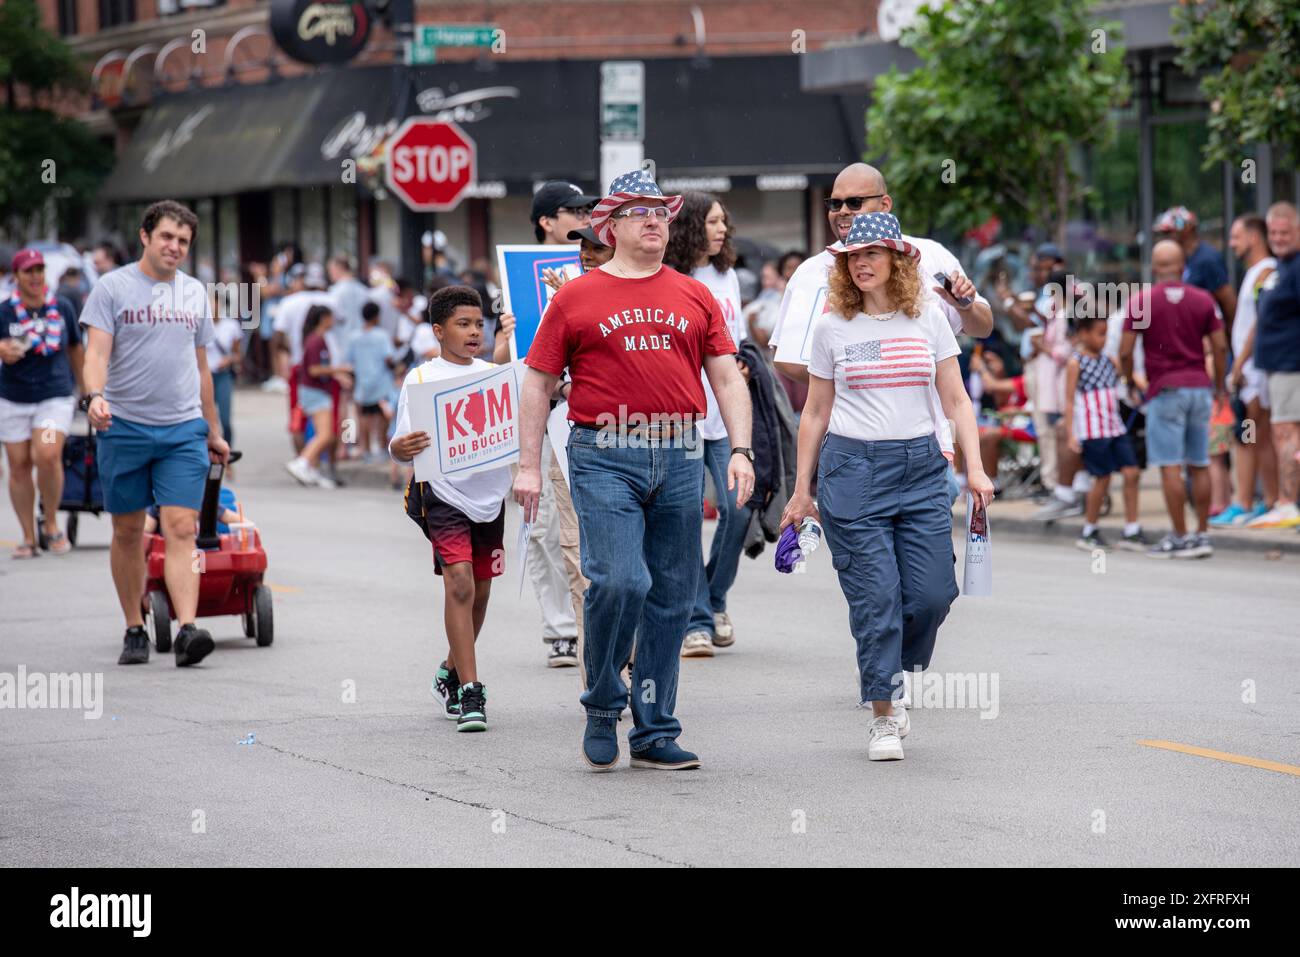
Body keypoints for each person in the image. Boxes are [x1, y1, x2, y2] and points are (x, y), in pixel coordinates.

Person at [515, 168, 754, 771]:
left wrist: (744, 449)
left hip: (678, 451)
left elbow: (726, 375)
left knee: (672, 596)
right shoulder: (575, 296)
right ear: (611, 226)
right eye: (639, 211)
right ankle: (602, 701)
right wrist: (528, 468)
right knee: (621, 581)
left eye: (661, 211)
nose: (654, 220)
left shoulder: (693, 293)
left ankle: (653, 730)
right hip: (603, 451)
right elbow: (539, 383)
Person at [779, 212, 993, 762]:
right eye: (853, 256)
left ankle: (898, 669)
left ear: (900, 261)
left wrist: (975, 468)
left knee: (931, 596)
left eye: (873, 253)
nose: (862, 263)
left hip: (921, 469)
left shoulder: (928, 322)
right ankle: (882, 712)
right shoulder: (831, 327)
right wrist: (802, 491)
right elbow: (815, 411)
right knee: (876, 600)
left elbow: (957, 400)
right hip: (851, 471)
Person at [79, 200, 230, 666]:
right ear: (145, 236)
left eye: (183, 241)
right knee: (127, 531)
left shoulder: (192, 294)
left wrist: (213, 429)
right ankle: (133, 627)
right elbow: (96, 355)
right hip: (122, 426)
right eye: (167, 236)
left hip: (183, 428)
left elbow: (203, 368)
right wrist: (94, 397)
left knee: (182, 526)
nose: (175, 247)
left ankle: (187, 628)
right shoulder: (112, 288)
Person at [389, 285, 512, 732]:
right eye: (463, 324)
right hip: (443, 495)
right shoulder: (421, 379)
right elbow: (403, 444)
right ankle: (471, 691)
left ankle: (450, 670)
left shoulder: (495, 373)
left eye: (478, 323)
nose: (473, 331)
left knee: (479, 592)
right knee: (458, 584)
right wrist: (399, 447)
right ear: (439, 331)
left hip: (490, 497)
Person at [663, 191, 750, 657]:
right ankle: (696, 617)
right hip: (684, 414)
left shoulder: (727, 274)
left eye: (724, 222)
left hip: (726, 412)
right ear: (692, 225)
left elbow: (734, 341)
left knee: (739, 508)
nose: (721, 230)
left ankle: (714, 596)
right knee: (686, 516)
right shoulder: (671, 278)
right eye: (713, 222)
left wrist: (746, 362)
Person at [521, 180, 600, 668]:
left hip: (590, 415)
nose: (580, 216)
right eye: (571, 211)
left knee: (585, 523)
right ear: (546, 221)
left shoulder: (603, 269)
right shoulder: (511, 278)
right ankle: (559, 626)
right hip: (541, 414)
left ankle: (594, 619)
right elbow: (506, 361)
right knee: (544, 525)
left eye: (585, 210)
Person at [1120, 239, 1227, 558]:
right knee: (1199, 463)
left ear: (1154, 268)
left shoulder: (1143, 301)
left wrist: (1129, 382)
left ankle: (1180, 537)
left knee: (1170, 466)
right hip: (1199, 389)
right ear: (1182, 267)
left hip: (1165, 391)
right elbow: (1220, 347)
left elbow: (1125, 350)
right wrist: (1219, 385)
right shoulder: (1203, 299)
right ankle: (1202, 534)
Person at [0, 248, 85, 558]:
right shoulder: (5, 311)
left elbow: (76, 349)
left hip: (54, 397)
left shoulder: (61, 307)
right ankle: (27, 536)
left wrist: (89, 392)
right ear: (17, 276)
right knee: (19, 466)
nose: (35, 276)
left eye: (39, 270)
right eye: (28, 271)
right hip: (13, 399)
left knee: (47, 454)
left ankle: (51, 524)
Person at [1213, 213, 1278, 528]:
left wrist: (1238, 365)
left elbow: (1259, 322)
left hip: (1254, 371)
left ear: (1254, 237)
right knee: (1254, 436)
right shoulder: (1256, 272)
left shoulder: (1266, 271)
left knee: (1254, 435)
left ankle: (1257, 502)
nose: (1232, 243)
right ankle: (1261, 501)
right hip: (1250, 370)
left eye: (1236, 236)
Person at [1064, 314, 1146, 551]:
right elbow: (1069, 400)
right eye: (1100, 334)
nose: (1104, 339)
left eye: (1106, 334)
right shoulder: (1075, 362)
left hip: (1115, 426)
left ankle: (1132, 529)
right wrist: (1071, 433)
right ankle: (1089, 529)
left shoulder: (1110, 360)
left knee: (1132, 473)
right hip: (1093, 430)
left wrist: (1139, 385)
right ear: (1083, 334)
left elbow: (1128, 379)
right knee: (1103, 478)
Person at [1248, 202, 1300, 529]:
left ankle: (1288, 501)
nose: (1279, 238)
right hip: (1277, 364)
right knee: (1285, 431)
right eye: (1274, 233)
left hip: (1291, 364)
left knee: (1285, 431)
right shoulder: (1280, 267)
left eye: (1286, 232)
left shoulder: (1296, 268)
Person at [285, 305, 351, 489]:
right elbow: (314, 369)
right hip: (316, 392)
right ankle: (302, 462)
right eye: (330, 317)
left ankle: (310, 468)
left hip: (317, 390)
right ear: (323, 318)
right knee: (326, 434)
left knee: (324, 433)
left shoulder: (316, 340)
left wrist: (337, 374)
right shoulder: (316, 341)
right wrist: (340, 369)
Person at [348, 301, 397, 462]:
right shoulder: (382, 335)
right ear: (376, 316)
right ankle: (382, 449)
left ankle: (366, 449)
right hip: (381, 383)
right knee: (382, 417)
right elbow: (389, 358)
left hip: (363, 383)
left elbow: (349, 360)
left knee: (364, 417)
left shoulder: (354, 337)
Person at [207, 288, 244, 445]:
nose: (212, 306)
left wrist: (229, 360)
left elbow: (238, 354)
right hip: (203, 377)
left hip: (222, 376)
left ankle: (227, 456)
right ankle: (208, 457)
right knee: (206, 421)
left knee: (225, 420)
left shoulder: (231, 325)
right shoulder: (198, 323)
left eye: (215, 302)